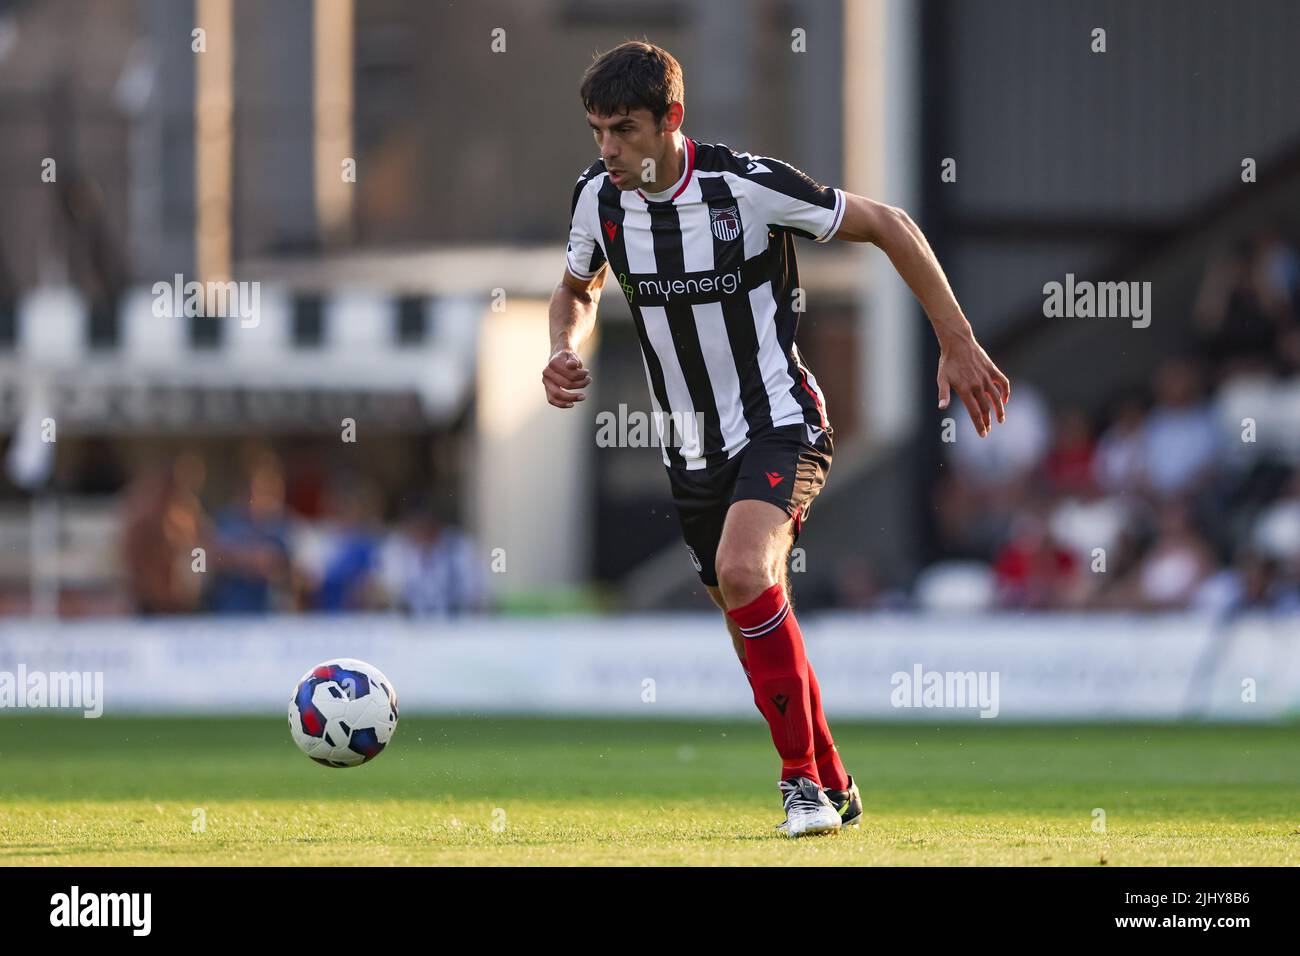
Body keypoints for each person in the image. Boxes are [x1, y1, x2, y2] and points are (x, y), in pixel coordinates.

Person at [542, 41, 1010, 837]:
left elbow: (889, 224)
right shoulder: (598, 198)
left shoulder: (745, 188)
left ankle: (801, 787)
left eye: (623, 129)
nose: (608, 149)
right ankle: (833, 777)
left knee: (742, 568)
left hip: (779, 421)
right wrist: (562, 345)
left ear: (671, 121)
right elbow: (575, 289)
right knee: (748, 606)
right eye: (596, 131)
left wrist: (957, 338)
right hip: (691, 450)